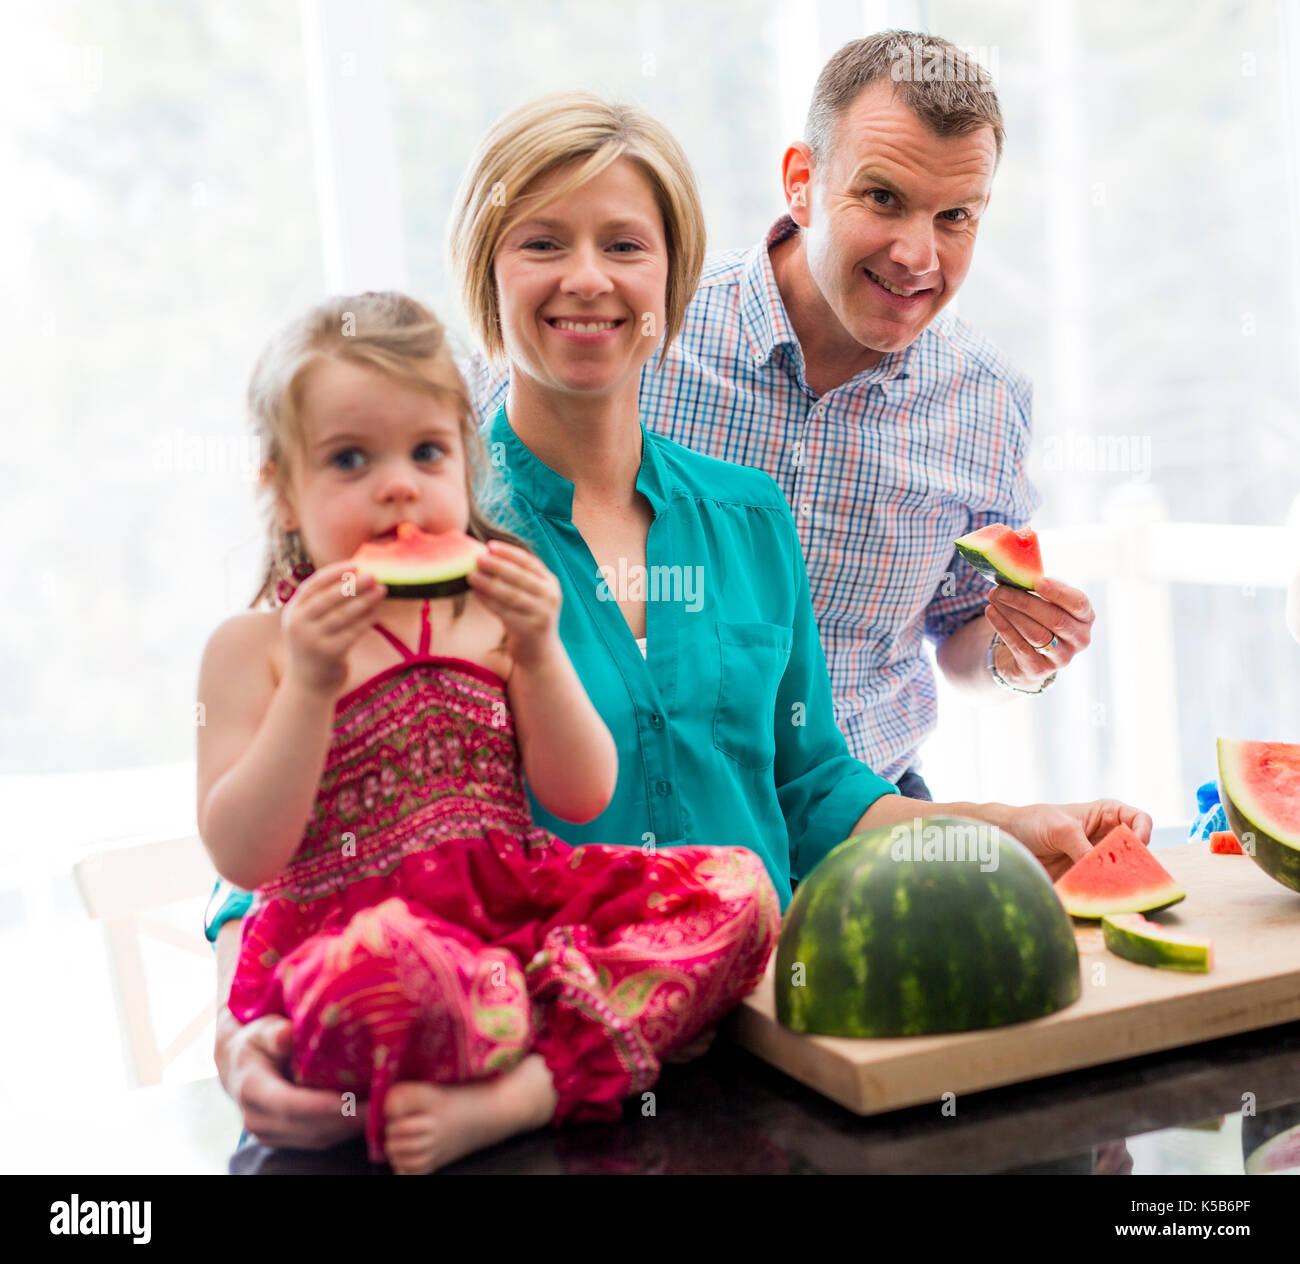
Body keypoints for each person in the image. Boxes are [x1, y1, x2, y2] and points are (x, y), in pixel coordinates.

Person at [209, 92, 1151, 1158]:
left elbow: (809, 786)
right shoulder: (421, 514)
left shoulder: (749, 520)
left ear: (672, 279)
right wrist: (241, 1019)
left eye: (625, 245)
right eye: (541, 243)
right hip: (501, 1067)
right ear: (488, 271)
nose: (588, 278)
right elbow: (315, 810)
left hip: (764, 1040)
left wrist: (1002, 829)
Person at [196, 291, 780, 1172]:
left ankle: (525, 1090)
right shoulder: (257, 651)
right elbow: (245, 858)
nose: (398, 484)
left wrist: (543, 653)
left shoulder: (492, 618)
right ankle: (518, 1039)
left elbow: (584, 791)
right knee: (385, 970)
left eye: (427, 452)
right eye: (350, 458)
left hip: (509, 924)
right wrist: (310, 688)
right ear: (281, 491)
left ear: (466, 471)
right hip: (354, 957)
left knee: (741, 894)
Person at [471, 30, 1097, 800]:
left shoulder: (988, 401)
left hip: (865, 807)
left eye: (955, 216)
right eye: (883, 198)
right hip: (653, 810)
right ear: (800, 182)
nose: (918, 255)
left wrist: (1016, 654)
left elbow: (962, 637)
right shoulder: (633, 327)